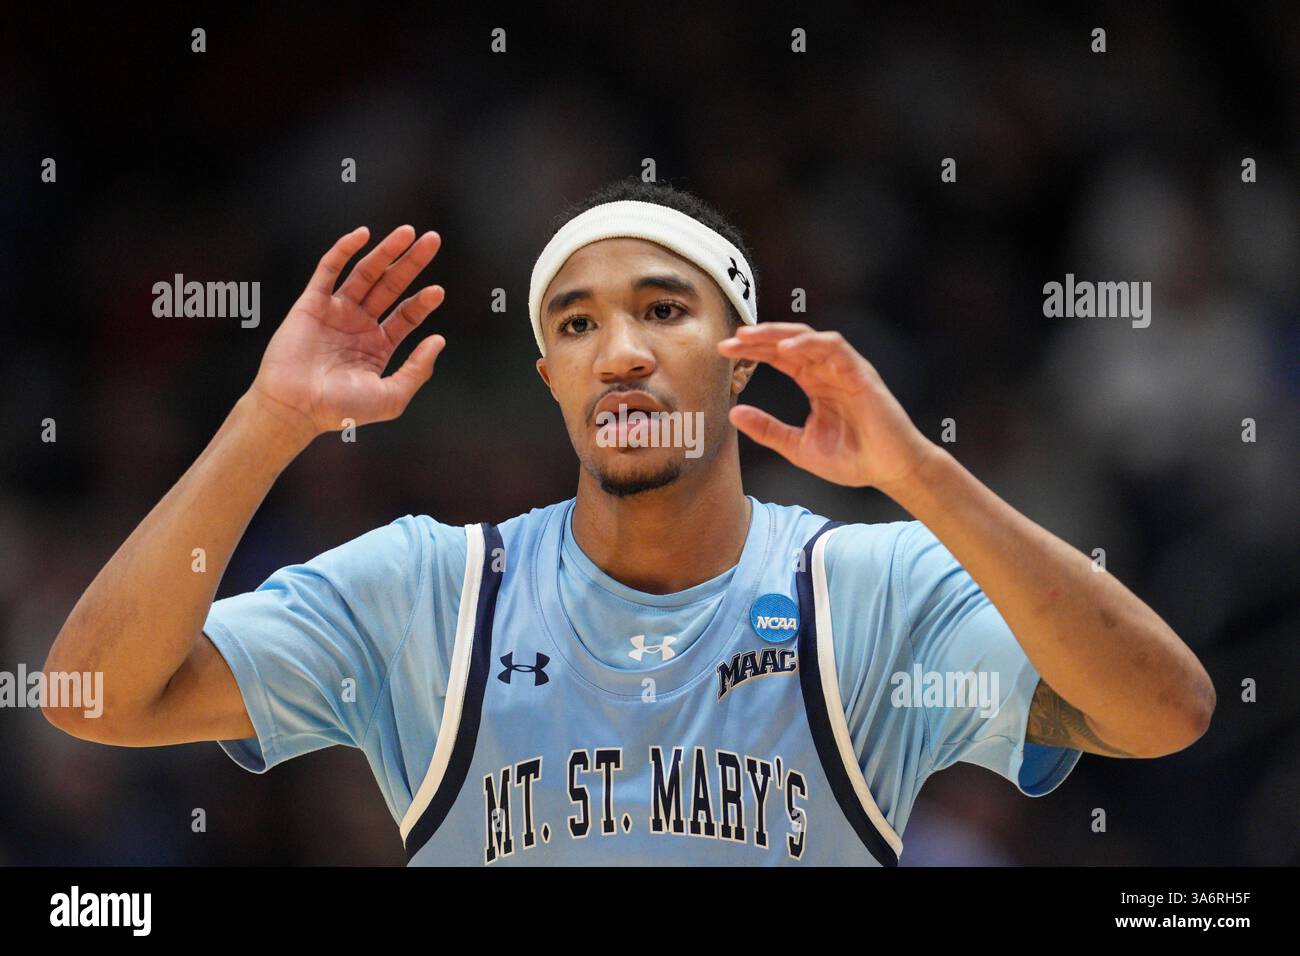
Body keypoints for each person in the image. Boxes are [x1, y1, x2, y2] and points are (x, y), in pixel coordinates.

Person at [42, 178, 1215, 866]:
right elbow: (93, 697)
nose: (624, 353)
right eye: (578, 323)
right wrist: (268, 417)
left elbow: (1164, 710)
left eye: (664, 309)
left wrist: (921, 477)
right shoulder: (426, 590)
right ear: (550, 373)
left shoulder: (871, 584)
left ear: (743, 359)